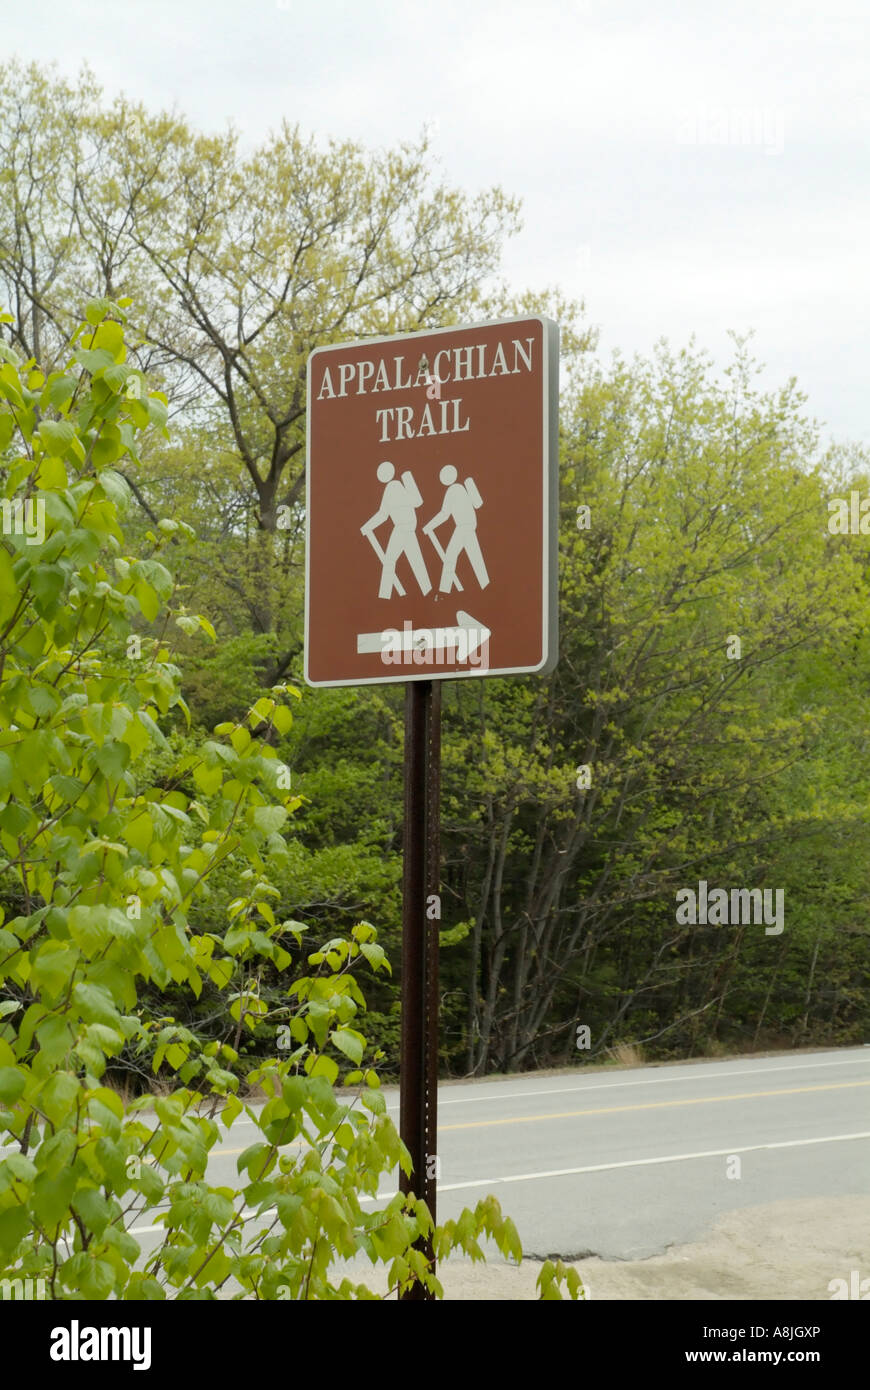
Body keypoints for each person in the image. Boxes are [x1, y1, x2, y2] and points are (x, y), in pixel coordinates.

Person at [360, 461, 432, 599]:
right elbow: (384, 514)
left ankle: (385, 596)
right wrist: (368, 526)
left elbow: (383, 514)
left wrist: (368, 526)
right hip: (407, 528)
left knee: (391, 561)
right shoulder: (394, 487)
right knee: (414, 561)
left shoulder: (393, 487)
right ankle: (426, 592)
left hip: (402, 528)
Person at [423, 465, 489, 593]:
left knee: (450, 556)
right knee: (474, 557)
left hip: (463, 527)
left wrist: (429, 526)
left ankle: (444, 591)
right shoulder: (461, 488)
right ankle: (485, 585)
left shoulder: (452, 490)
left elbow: (444, 514)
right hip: (468, 525)